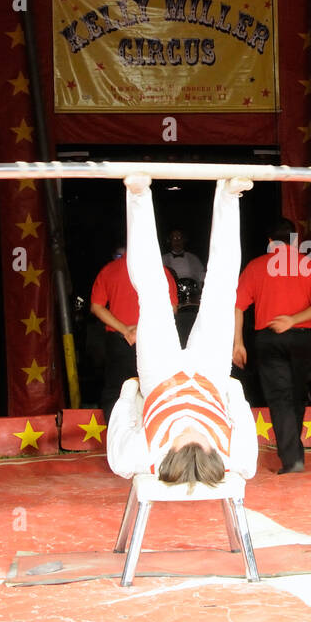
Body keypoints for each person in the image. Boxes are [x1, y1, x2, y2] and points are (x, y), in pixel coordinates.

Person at [106, 175, 259, 489]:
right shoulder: (237, 457)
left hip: (159, 378)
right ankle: (229, 195)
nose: (189, 428)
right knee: (222, 293)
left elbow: (119, 430)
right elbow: (243, 421)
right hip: (210, 377)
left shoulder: (138, 455)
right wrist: (234, 393)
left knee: (152, 294)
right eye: (199, 437)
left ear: (168, 452)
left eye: (181, 437)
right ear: (214, 451)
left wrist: (128, 393)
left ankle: (138, 194)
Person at [233, 220, 311, 475]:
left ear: (270, 242)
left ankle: (292, 459)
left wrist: (238, 343)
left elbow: (238, 307)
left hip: (269, 339)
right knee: (296, 397)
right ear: (295, 240)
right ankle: (293, 455)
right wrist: (294, 320)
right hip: (301, 338)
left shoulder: (256, 266)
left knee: (281, 399)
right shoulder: (309, 265)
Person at [90, 244, 178, 418]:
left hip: (120, 340)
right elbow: (172, 308)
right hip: (151, 339)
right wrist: (141, 329)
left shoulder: (109, 270)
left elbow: (96, 307)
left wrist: (126, 331)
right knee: (155, 388)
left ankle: (116, 429)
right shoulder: (160, 271)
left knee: (117, 392)